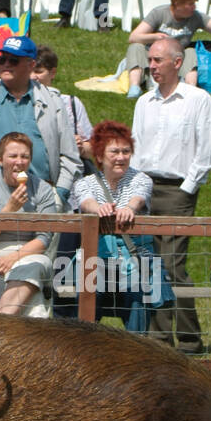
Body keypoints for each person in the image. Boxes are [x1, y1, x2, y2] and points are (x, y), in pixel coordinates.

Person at [132, 37, 211, 354]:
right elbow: (136, 149)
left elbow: (208, 154)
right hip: (145, 188)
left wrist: (186, 191)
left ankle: (190, 340)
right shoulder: (144, 102)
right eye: (150, 61)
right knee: (149, 265)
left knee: (173, 264)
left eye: (157, 60)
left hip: (178, 189)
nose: (151, 66)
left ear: (177, 62)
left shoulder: (198, 100)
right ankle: (158, 339)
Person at [0, 34, 79, 202]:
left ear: (31, 65)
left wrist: (59, 195)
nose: (6, 64)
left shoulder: (53, 102)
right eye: (2, 59)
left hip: (41, 203)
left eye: (14, 60)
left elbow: (70, 157)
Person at [72, 120, 159, 333]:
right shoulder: (85, 182)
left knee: (139, 295)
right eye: (114, 152)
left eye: (126, 151)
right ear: (100, 156)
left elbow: (139, 196)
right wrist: (97, 209)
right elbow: (85, 200)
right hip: (97, 262)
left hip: (133, 261)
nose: (121, 157)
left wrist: (130, 207)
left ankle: (137, 354)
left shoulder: (141, 179)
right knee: (87, 295)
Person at [0, 132, 60, 316]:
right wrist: (8, 210)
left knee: (35, 267)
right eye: (13, 156)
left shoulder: (43, 189)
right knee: (33, 297)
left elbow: (44, 239)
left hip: (30, 254)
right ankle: (28, 342)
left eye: (25, 156)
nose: (19, 162)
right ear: (0, 160)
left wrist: (14, 257)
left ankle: (0, 329)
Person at [123, 0, 211, 98]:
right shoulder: (159, 13)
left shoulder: (196, 17)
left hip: (177, 59)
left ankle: (191, 89)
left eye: (194, 3)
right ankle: (134, 87)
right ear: (177, 4)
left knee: (191, 51)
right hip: (154, 57)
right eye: (190, 4)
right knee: (135, 47)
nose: (194, 7)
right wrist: (155, 37)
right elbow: (133, 37)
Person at [33, 44, 93, 161]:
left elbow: (91, 148)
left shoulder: (71, 103)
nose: (33, 77)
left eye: (38, 71)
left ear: (53, 73)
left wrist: (80, 147)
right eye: (29, 71)